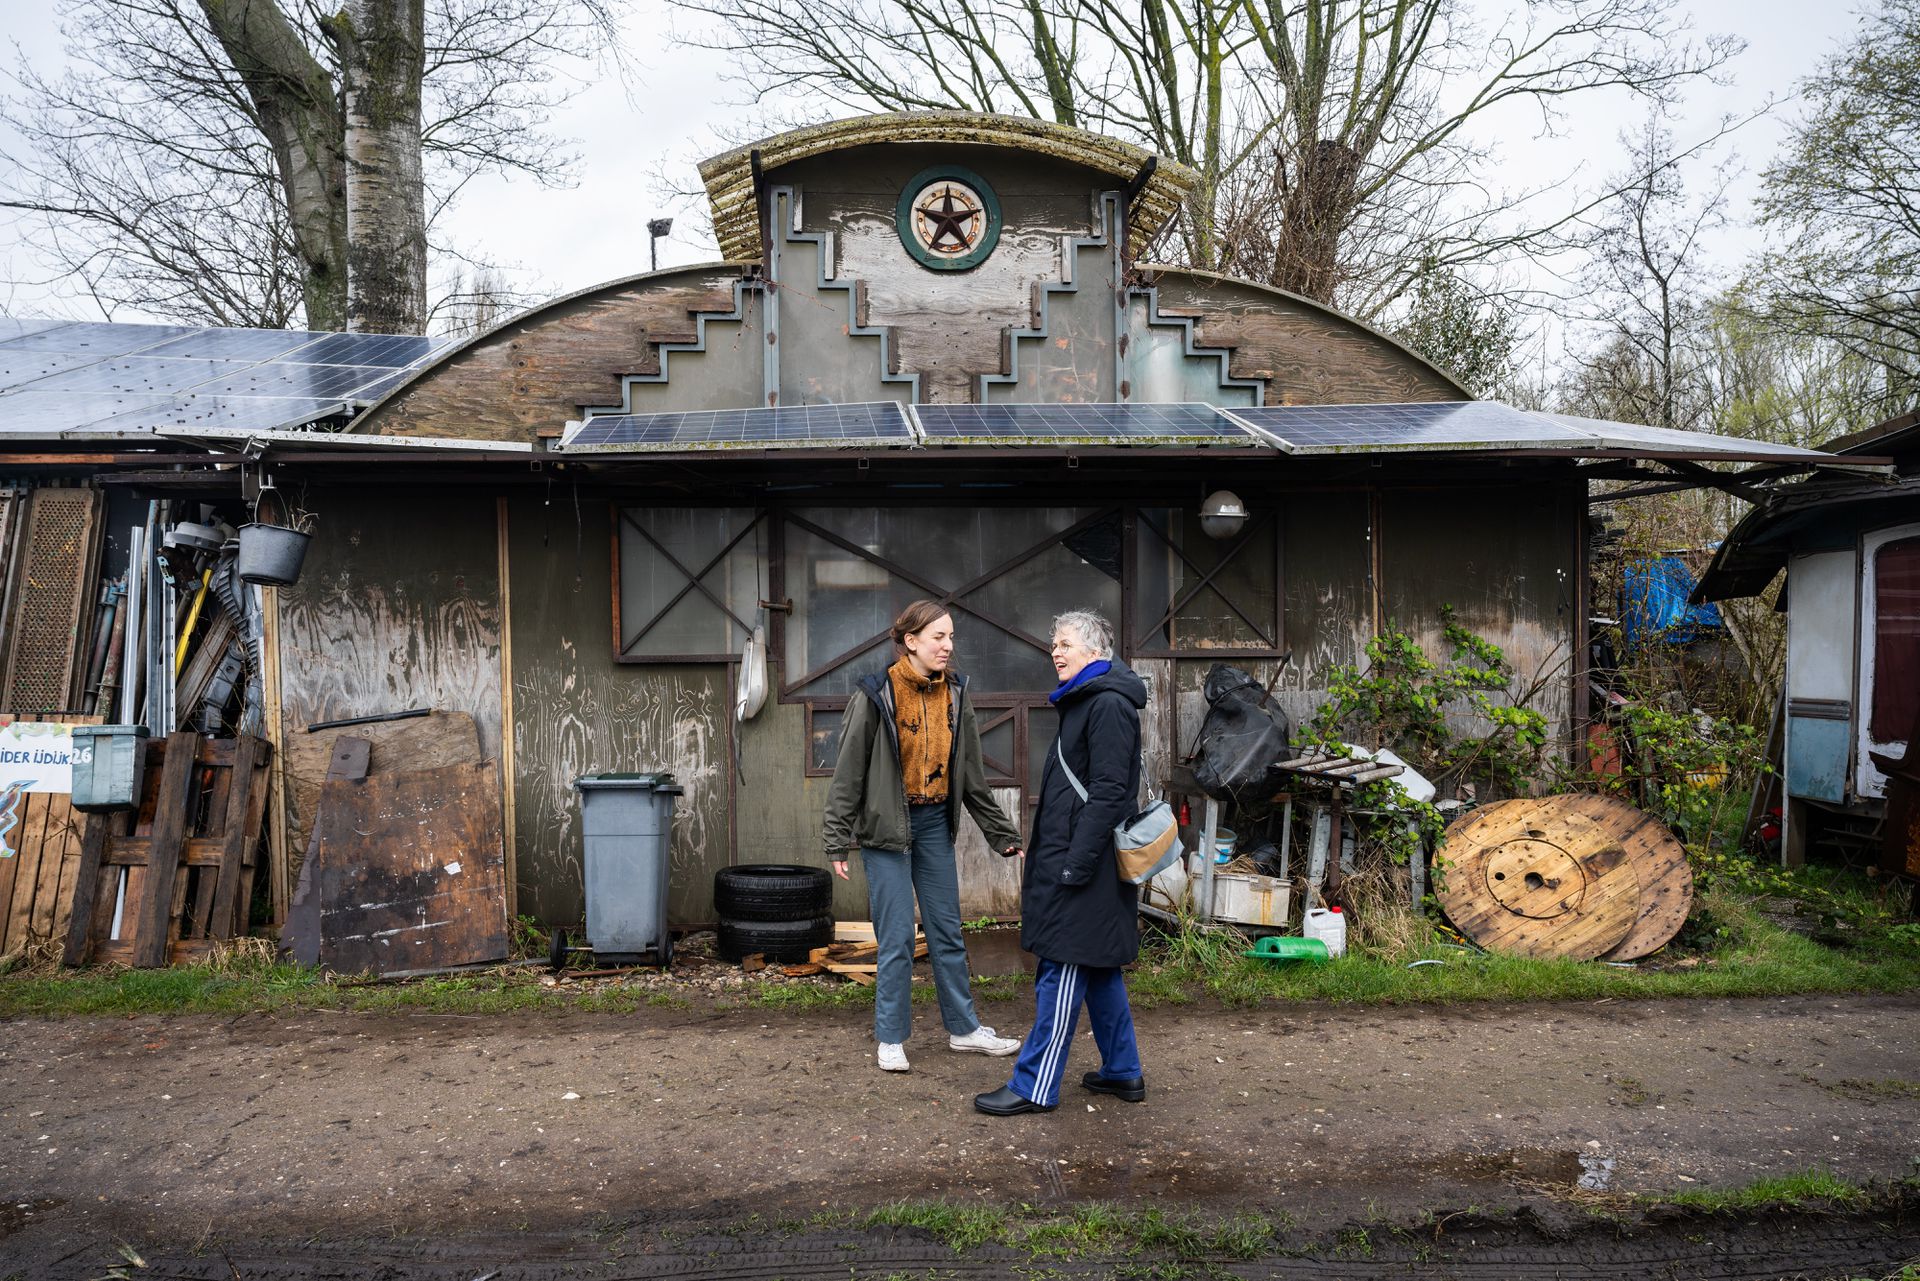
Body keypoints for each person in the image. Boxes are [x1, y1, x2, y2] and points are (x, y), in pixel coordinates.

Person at [823, 599, 1027, 1072]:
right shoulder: (876, 695)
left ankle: (963, 1029)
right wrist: (836, 840)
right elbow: (848, 775)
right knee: (895, 940)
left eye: (951, 637)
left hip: (934, 824)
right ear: (910, 641)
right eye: (939, 637)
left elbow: (971, 776)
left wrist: (1002, 834)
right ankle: (891, 1038)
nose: (948, 646)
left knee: (947, 933)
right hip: (888, 831)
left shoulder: (955, 693)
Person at [975, 609, 1148, 1116]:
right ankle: (1122, 1071)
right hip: (1079, 859)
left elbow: (1112, 791)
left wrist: (1075, 863)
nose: (1055, 652)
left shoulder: (1108, 705)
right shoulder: (1087, 700)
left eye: (1065, 644)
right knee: (1099, 969)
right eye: (1054, 644)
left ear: (1094, 652)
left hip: (1086, 866)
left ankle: (1034, 1084)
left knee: (1063, 965)